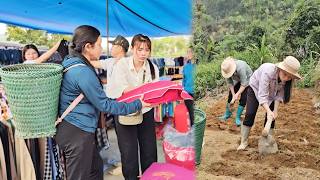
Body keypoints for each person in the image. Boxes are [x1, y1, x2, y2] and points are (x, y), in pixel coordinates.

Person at [55, 25, 149, 180]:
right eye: (99, 45)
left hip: (75, 127)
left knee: (95, 170)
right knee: (80, 176)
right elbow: (104, 105)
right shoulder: (82, 72)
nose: (102, 49)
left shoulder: (70, 61)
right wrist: (138, 104)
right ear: (87, 47)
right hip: (76, 132)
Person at [111, 34, 159, 180]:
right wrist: (143, 90)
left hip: (146, 111)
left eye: (146, 50)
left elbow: (154, 90)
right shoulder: (122, 65)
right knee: (128, 152)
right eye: (140, 49)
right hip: (126, 111)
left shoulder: (153, 67)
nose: (143, 53)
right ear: (132, 49)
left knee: (149, 150)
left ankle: (150, 177)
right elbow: (121, 89)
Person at [237, 56, 301, 150]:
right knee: (250, 113)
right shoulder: (268, 71)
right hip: (255, 88)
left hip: (271, 94)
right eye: (285, 74)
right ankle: (244, 141)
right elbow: (262, 96)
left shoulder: (287, 81)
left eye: (290, 77)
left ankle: (268, 142)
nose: (286, 78)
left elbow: (278, 95)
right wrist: (268, 110)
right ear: (280, 69)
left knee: (272, 117)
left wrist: (274, 111)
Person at [219, 57, 253, 126]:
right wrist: (233, 94)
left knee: (244, 98)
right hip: (237, 79)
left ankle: (237, 117)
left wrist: (237, 94)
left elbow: (243, 84)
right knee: (230, 96)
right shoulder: (226, 70)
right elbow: (230, 83)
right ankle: (227, 114)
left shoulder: (241, 67)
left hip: (247, 80)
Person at [183, 48, 195, 126]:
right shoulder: (186, 67)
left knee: (196, 111)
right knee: (190, 112)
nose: (189, 54)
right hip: (187, 92)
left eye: (190, 52)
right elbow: (184, 80)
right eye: (187, 52)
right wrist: (183, 91)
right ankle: (192, 127)